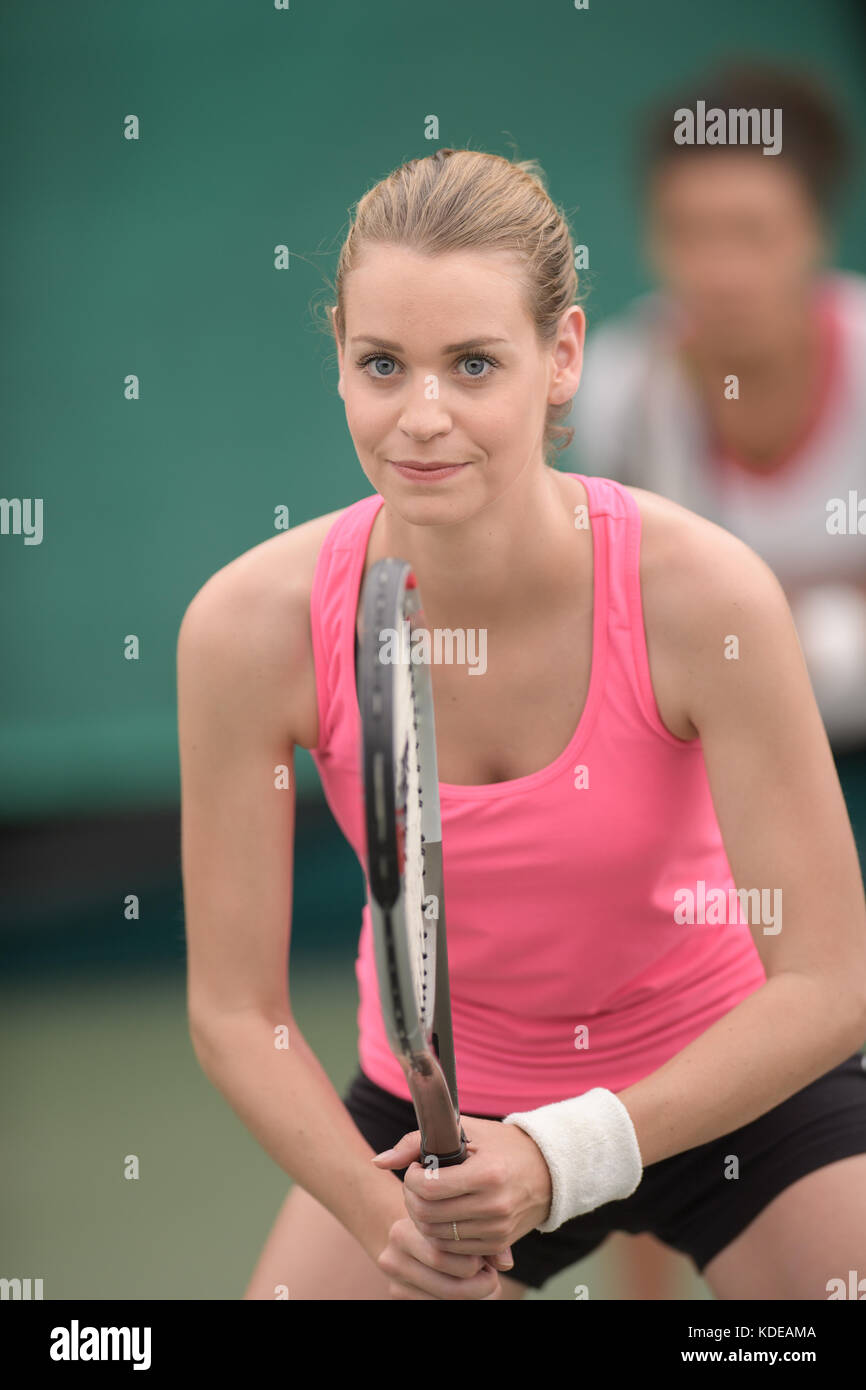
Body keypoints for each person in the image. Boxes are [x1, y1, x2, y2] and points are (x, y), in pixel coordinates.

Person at [178, 148, 866, 1301]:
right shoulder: (246, 629)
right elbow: (235, 1013)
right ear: (339, 360)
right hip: (430, 1129)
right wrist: (383, 1215)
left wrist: (560, 1157)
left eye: (475, 364)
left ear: (562, 359)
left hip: (724, 1081)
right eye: (382, 364)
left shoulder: (703, 594)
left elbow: (830, 980)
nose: (423, 417)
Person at [564, 61, 866, 752]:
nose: (722, 272)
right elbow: (628, 619)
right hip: (716, 762)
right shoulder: (618, 383)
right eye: (690, 234)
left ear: (818, 231)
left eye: (753, 232)